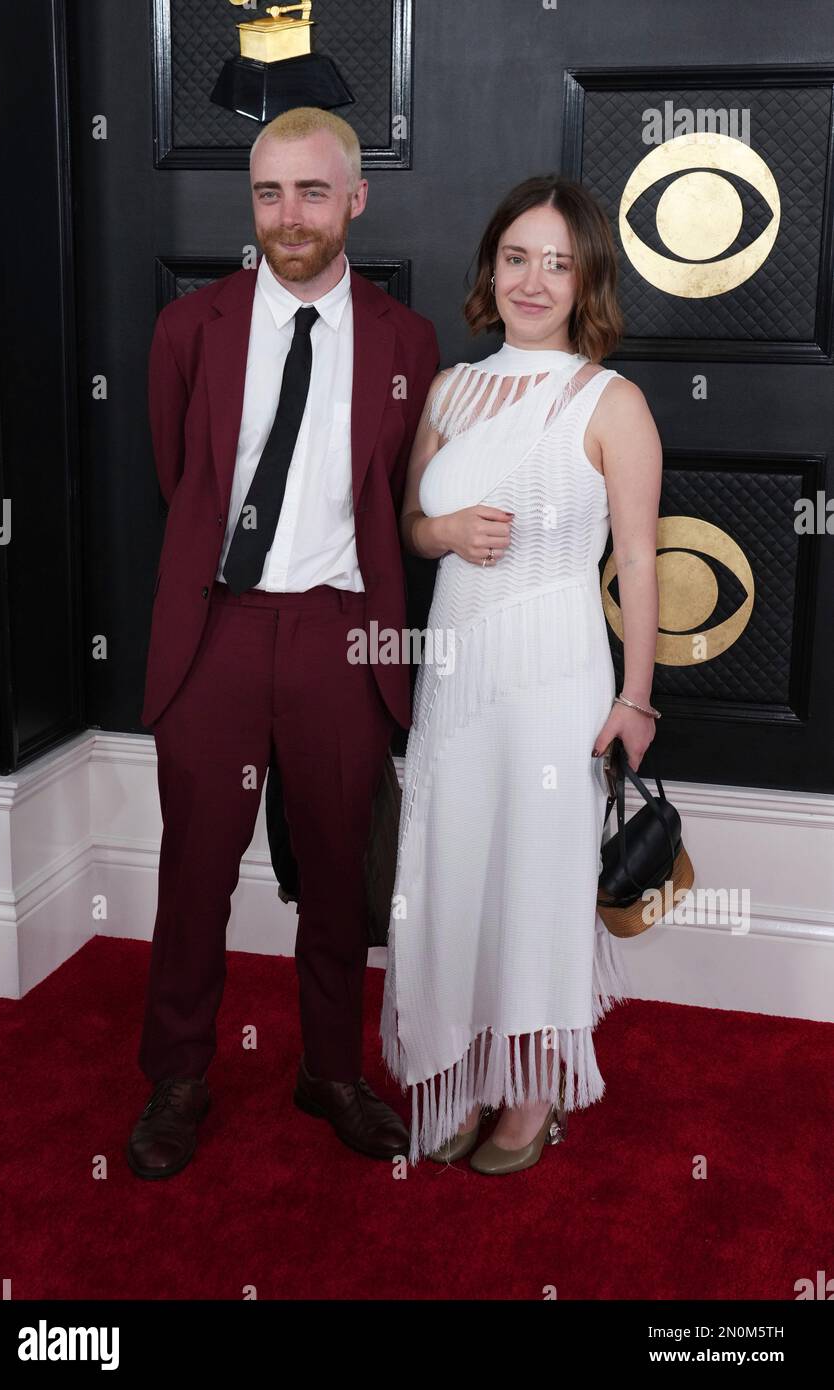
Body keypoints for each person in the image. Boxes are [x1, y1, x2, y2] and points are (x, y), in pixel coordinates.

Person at [128, 107, 439, 1179]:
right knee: (194, 871)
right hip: (215, 629)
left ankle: (329, 1072)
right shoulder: (190, 329)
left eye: (312, 191)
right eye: (269, 193)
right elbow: (182, 479)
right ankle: (177, 1076)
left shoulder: (406, 341)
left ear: (355, 198)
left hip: (340, 634)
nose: (289, 215)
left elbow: (397, 496)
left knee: (340, 876)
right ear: (249, 202)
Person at [380, 174, 662, 1172]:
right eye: (515, 258)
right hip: (455, 678)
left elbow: (635, 559)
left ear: (584, 277)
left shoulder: (609, 401)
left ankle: (532, 1092)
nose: (533, 282)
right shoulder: (452, 389)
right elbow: (412, 527)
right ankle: (458, 1071)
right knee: (452, 870)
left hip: (555, 680)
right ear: (489, 267)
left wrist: (634, 698)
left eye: (556, 262)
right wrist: (444, 530)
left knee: (537, 876)